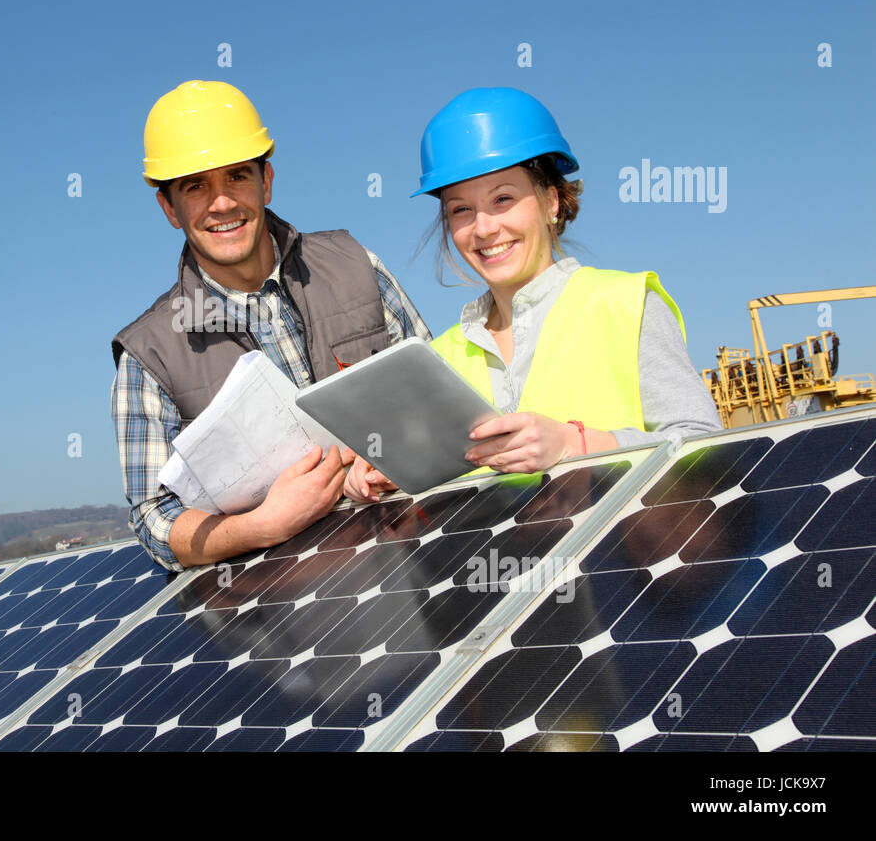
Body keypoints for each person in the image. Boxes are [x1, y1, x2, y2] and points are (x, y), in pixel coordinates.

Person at [111, 80, 433, 570]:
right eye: (195, 185)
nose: (221, 203)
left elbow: (431, 393)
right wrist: (264, 524)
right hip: (279, 616)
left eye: (237, 176)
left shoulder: (354, 264)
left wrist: (389, 454)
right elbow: (156, 521)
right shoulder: (148, 354)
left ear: (267, 180)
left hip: (415, 565)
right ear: (169, 208)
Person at [346, 87, 722, 500]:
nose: (483, 228)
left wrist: (574, 444)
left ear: (551, 202)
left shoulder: (625, 305)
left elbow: (705, 454)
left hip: (621, 559)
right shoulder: (440, 358)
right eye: (461, 209)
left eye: (502, 199)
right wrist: (388, 476)